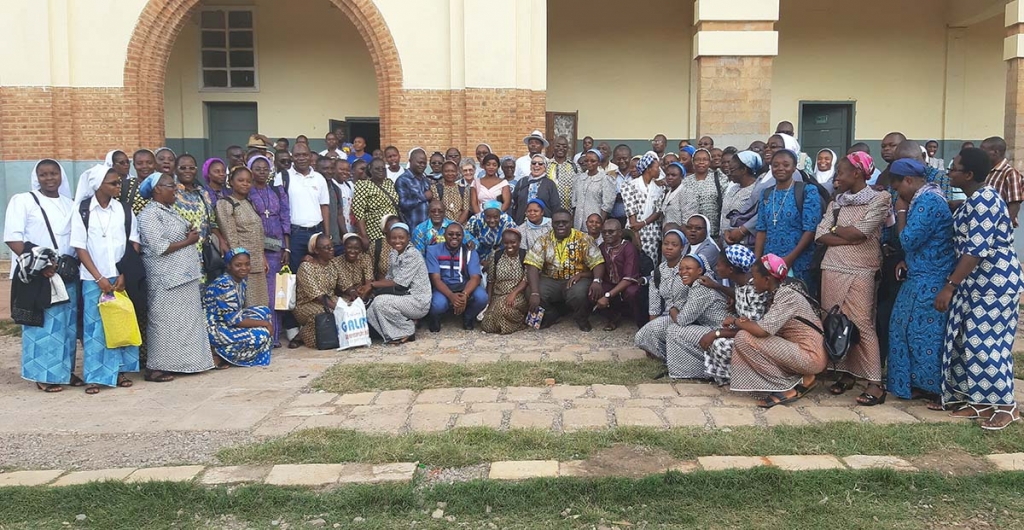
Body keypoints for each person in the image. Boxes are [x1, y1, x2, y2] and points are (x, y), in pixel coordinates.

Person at [936, 148, 1020, 430]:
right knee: (968, 341)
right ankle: (982, 402)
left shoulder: (985, 201)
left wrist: (950, 286)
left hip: (993, 284)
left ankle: (1007, 406)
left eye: (955, 168)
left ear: (969, 175)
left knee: (986, 344)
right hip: (977, 284)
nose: (950, 172)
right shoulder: (977, 199)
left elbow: (975, 251)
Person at [815, 153, 891, 405]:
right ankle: (847, 372)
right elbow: (820, 235)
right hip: (832, 267)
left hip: (862, 270)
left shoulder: (880, 198)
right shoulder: (837, 202)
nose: (838, 176)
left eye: (842, 172)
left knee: (861, 323)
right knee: (836, 321)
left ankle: (874, 382)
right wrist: (844, 235)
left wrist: (838, 233)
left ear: (857, 173)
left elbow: (863, 232)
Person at [5, 159, 79, 392]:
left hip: (65, 273)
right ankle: (43, 375)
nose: (49, 179)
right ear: (36, 177)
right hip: (37, 273)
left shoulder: (70, 204)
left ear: (61, 176)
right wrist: (42, 265)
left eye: (54, 174)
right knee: (43, 325)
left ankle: (64, 371)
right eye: (44, 175)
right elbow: (13, 238)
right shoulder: (23, 201)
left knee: (66, 325)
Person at [887, 156, 954, 405]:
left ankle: (938, 390)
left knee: (926, 335)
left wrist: (901, 211)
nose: (897, 194)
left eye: (898, 189)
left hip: (932, 279)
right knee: (903, 329)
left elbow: (907, 240)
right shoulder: (923, 198)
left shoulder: (927, 201)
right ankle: (914, 383)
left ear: (908, 180)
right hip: (918, 274)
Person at [70, 167, 141, 394]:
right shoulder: (83, 211)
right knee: (95, 329)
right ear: (98, 185)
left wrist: (124, 274)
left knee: (119, 324)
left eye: (118, 183)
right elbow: (80, 247)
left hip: (119, 277)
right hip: (93, 278)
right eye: (113, 183)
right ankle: (95, 376)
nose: (118, 187)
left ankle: (119, 371)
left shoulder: (123, 209)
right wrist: (98, 277)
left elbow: (134, 243)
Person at [137, 172, 213, 381]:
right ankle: (156, 367)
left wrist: (188, 231)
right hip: (165, 279)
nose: (176, 190)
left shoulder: (170, 211)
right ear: (157, 190)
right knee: (164, 324)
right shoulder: (150, 214)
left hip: (183, 275)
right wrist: (188, 241)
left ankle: (184, 364)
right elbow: (159, 246)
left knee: (183, 324)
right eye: (170, 186)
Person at [729, 254, 825, 408]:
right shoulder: (780, 291)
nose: (752, 281)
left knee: (743, 338)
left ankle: (787, 388)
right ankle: (804, 378)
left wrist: (736, 322)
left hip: (810, 356)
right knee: (750, 338)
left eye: (755, 277)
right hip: (802, 352)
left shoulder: (786, 295)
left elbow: (762, 331)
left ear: (767, 279)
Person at [524, 209, 606, 331]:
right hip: (551, 279)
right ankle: (551, 314)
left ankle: (581, 318)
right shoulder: (543, 240)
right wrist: (535, 293)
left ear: (571, 222)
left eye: (565, 222)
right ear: (552, 224)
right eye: (557, 222)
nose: (561, 225)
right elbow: (532, 265)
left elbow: (598, 262)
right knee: (531, 290)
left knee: (578, 294)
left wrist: (597, 280)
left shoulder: (584, 239)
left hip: (576, 279)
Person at [754, 149, 821, 284]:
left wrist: (789, 259)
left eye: (786, 165)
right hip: (770, 261)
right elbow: (761, 230)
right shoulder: (766, 194)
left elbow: (810, 230)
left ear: (794, 167)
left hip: (798, 261)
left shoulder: (807, 191)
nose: (780, 168)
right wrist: (756, 262)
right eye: (776, 165)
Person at [703, 245, 766, 386]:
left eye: (719, 265)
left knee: (719, 344)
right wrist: (716, 286)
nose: (717, 268)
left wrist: (717, 333)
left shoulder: (754, 290)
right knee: (714, 337)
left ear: (731, 270)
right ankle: (724, 378)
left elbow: (752, 328)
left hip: (754, 336)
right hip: (742, 327)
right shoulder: (741, 282)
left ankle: (738, 379)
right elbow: (738, 294)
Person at [246, 155, 290, 347]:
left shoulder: (277, 191)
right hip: (255, 247)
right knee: (258, 291)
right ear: (250, 170)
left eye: (265, 168)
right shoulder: (246, 191)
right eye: (257, 168)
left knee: (276, 293)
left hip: (276, 246)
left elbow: (285, 217)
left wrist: (286, 246)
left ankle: (274, 335)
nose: (262, 172)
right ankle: (260, 334)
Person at [662, 255, 729, 379]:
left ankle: (692, 372)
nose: (683, 272)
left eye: (688, 268)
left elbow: (682, 320)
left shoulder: (700, 286)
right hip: (714, 329)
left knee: (674, 330)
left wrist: (671, 306)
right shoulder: (695, 285)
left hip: (722, 332)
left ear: (699, 271)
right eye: (681, 269)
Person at [204, 248, 274, 367]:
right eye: (238, 265)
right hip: (216, 329)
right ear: (229, 266)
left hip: (229, 321)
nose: (244, 268)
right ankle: (220, 353)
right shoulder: (224, 285)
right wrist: (265, 324)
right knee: (261, 334)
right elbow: (234, 320)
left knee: (264, 311)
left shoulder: (240, 280)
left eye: (247, 264)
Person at [366, 223, 432, 345]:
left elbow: (398, 283)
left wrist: (372, 285)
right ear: (388, 239)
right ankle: (394, 335)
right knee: (371, 307)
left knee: (381, 302)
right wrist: (371, 290)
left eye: (401, 238)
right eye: (393, 238)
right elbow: (389, 278)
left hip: (418, 301)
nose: (397, 241)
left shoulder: (412, 254)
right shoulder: (393, 254)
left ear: (408, 237)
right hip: (404, 297)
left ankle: (407, 329)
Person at [216, 166, 269, 306]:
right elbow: (230, 237)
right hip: (242, 266)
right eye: (241, 180)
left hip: (257, 263)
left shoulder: (249, 202)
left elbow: (258, 232)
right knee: (247, 305)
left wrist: (262, 257)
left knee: (261, 305)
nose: (245, 183)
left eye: (248, 181)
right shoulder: (226, 203)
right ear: (231, 182)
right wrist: (241, 264)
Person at [635, 230, 688, 359]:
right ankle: (666, 356)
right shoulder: (658, 271)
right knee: (641, 337)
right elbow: (654, 306)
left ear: (681, 248)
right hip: (668, 316)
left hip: (689, 315)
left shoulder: (688, 266)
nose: (669, 247)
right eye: (666, 244)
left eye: (674, 245)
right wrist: (651, 333)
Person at [425, 222, 487, 331]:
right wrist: (451, 296)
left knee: (482, 297)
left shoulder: (469, 252)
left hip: (464, 286)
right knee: (438, 304)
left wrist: (464, 295)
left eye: (458, 235)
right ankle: (435, 318)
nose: (454, 237)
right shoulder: (433, 250)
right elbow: (435, 279)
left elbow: (475, 277)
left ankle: (468, 317)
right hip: (443, 288)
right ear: (444, 235)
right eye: (450, 234)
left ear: (463, 236)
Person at [279, 142, 330, 271]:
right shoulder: (283, 177)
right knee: (296, 271)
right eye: (297, 155)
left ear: (310, 156)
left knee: (318, 271)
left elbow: (324, 207)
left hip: (317, 232)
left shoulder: (319, 178)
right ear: (292, 157)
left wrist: (327, 234)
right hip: (295, 234)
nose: (301, 158)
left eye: (304, 155)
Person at [174, 153, 227, 271]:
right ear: (175, 170)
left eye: (191, 168)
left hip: (204, 255)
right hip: (181, 255)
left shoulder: (202, 193)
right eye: (183, 168)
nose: (187, 171)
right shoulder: (172, 193)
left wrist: (221, 241)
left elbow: (212, 222)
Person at [290, 233, 341, 349]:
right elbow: (317, 295)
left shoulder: (332, 264)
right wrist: (338, 308)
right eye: (327, 248)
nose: (331, 249)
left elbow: (344, 284)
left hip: (327, 300)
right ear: (316, 251)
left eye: (332, 246)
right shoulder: (306, 267)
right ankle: (302, 336)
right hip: (305, 305)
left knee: (349, 305)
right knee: (325, 313)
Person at [595, 219, 642, 330]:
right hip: (609, 282)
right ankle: (612, 317)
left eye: (611, 232)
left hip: (628, 283)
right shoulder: (602, 247)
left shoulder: (628, 248)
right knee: (594, 291)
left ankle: (639, 319)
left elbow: (628, 278)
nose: (607, 235)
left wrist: (607, 295)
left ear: (620, 233)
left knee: (632, 292)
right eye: (604, 232)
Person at [480, 229, 529, 335]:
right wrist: (489, 300)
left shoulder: (524, 255)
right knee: (487, 325)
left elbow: (526, 279)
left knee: (503, 309)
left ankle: (519, 322)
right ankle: (504, 324)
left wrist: (513, 293)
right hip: (498, 295)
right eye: (506, 243)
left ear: (519, 242)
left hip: (518, 295)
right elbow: (491, 280)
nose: (509, 245)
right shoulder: (497, 256)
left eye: (513, 242)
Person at [622, 152, 664, 262]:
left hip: (652, 232)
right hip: (633, 230)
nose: (659, 170)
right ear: (648, 169)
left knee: (650, 263)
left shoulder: (660, 188)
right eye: (657, 167)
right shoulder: (630, 186)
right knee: (631, 261)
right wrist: (635, 233)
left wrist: (643, 223)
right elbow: (630, 210)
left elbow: (658, 211)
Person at [678, 149, 728, 240]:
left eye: (705, 159)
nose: (701, 162)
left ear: (709, 162)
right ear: (693, 162)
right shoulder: (686, 182)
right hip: (692, 232)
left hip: (714, 231)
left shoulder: (719, 178)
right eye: (698, 160)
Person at [352, 157, 400, 249]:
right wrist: (363, 235)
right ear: (370, 170)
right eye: (377, 169)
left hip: (393, 229)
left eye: (383, 168)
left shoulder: (388, 183)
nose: (380, 171)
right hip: (375, 230)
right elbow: (358, 212)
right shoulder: (363, 185)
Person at [980, 136, 1024, 226]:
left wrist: (1003, 226)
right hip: (985, 222)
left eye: (983, 150)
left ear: (995, 152)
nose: (980, 154)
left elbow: (1014, 205)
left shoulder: (1010, 173)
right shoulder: (988, 171)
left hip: (998, 226)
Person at [721, 151, 761, 246]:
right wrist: (724, 233)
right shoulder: (733, 188)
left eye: (732, 170)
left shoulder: (756, 190)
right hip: (725, 240)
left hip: (745, 243)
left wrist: (740, 231)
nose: (729, 174)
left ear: (743, 169)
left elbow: (757, 217)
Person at [571, 149, 615, 231]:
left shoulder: (604, 179)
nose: (589, 163)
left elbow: (607, 205)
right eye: (586, 161)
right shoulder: (579, 179)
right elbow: (574, 203)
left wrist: (600, 223)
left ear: (599, 163)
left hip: (594, 224)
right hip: (578, 223)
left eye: (593, 161)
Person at [412, 200, 476, 254]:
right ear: (428, 213)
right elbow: (419, 256)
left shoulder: (454, 226)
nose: (436, 214)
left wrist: (471, 244)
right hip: (429, 265)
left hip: (454, 263)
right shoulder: (419, 230)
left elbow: (474, 242)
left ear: (444, 213)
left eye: (440, 211)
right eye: (433, 211)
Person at [511, 154, 560, 224]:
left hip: (544, 225)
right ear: (530, 166)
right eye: (534, 163)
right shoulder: (522, 182)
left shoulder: (550, 184)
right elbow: (515, 204)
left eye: (540, 164)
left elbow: (556, 206)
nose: (536, 165)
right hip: (522, 224)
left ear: (545, 167)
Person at [466, 200, 517, 266]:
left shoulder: (507, 222)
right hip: (478, 250)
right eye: (488, 217)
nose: (492, 220)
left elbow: (513, 239)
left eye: (495, 217)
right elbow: (466, 234)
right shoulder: (475, 220)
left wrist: (494, 257)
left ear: (500, 214)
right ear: (484, 214)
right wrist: (472, 242)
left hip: (500, 252)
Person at [395, 148, 433, 228]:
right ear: (410, 161)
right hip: (412, 226)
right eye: (419, 162)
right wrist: (423, 197)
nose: (422, 165)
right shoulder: (403, 180)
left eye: (424, 163)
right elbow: (402, 204)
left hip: (427, 228)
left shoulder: (426, 180)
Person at [316, 157, 345, 253]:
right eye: (325, 168)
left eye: (332, 168)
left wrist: (345, 235)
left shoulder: (336, 189)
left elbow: (339, 214)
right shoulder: (312, 189)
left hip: (335, 241)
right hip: (318, 241)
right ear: (316, 169)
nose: (329, 171)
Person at [335, 233, 374, 304]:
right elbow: (343, 283)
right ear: (344, 247)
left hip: (364, 291)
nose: (352, 251)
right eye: (349, 247)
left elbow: (369, 278)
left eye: (356, 248)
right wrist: (353, 293)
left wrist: (366, 289)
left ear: (360, 249)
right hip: (346, 295)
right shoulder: (336, 262)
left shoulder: (365, 258)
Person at [547, 136, 579, 210]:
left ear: (568, 149)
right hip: (549, 211)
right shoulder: (546, 165)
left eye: (564, 146)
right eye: (558, 146)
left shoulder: (575, 167)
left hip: (569, 211)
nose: (561, 148)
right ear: (553, 147)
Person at [606, 144, 632, 225]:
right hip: (614, 220)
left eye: (624, 158)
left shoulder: (637, 176)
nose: (621, 161)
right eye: (618, 159)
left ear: (631, 158)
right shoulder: (609, 175)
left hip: (634, 221)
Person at [127, 149, 155, 215]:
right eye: (139, 163)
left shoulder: (163, 186)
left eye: (149, 163)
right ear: (134, 165)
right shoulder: (126, 186)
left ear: (155, 164)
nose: (145, 166)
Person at [661, 162, 688, 227]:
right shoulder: (668, 193)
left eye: (673, 175)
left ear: (681, 177)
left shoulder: (686, 193)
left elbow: (687, 220)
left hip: (679, 234)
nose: (670, 177)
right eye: (668, 175)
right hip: (667, 234)